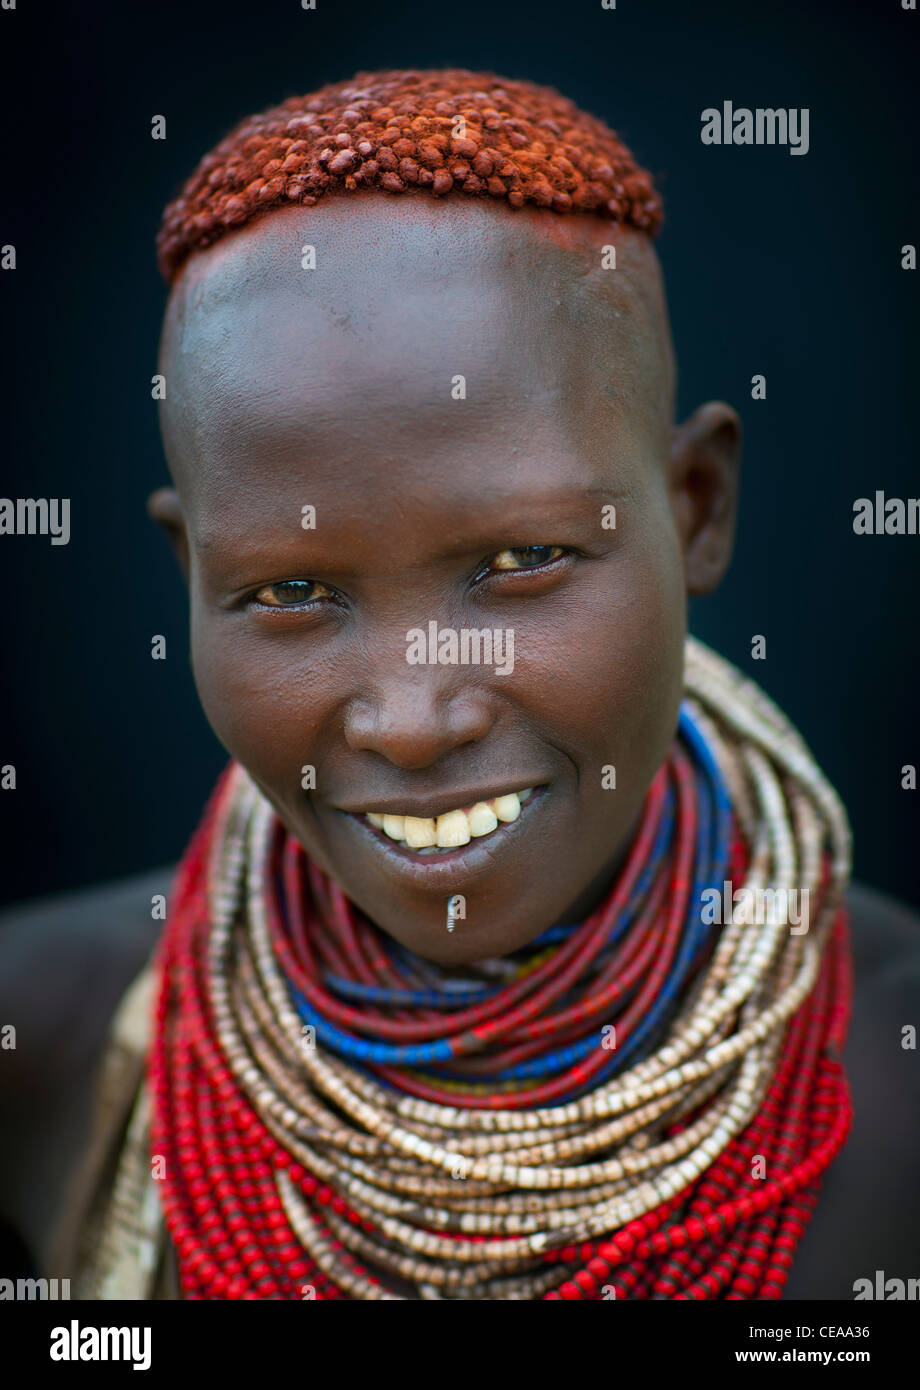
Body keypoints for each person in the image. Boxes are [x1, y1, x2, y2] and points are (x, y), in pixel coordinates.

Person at [1, 68, 918, 1301]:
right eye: (289, 592)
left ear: (693, 508)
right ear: (188, 571)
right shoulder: (49, 1038)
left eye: (520, 562)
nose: (413, 720)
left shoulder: (892, 1064)